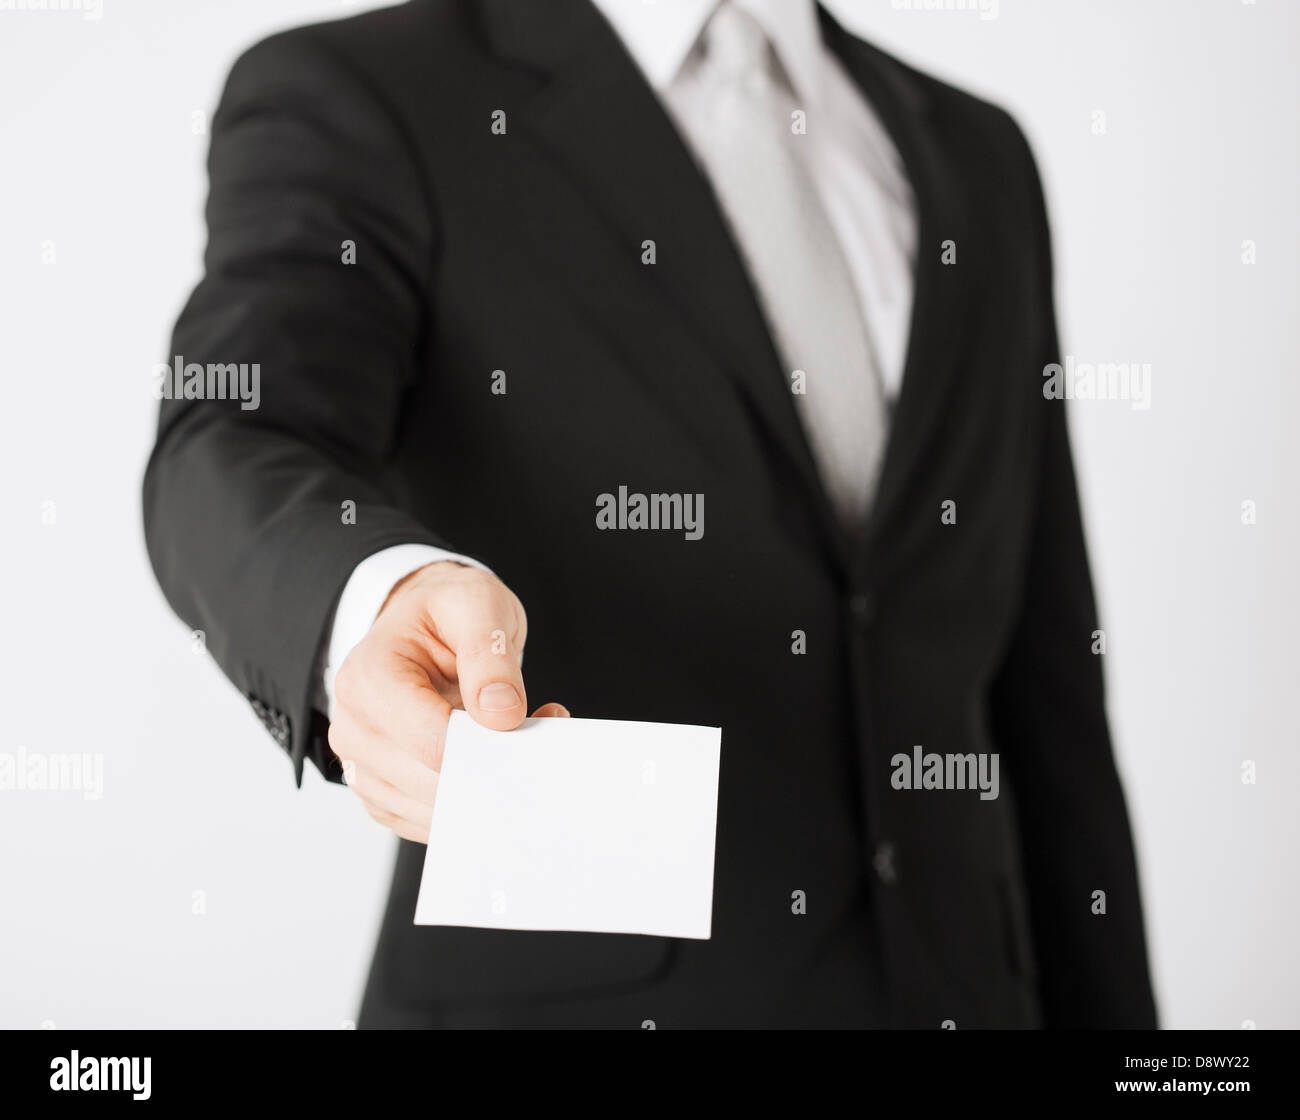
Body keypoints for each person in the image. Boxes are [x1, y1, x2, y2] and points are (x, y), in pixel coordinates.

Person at [143, 0, 1158, 1028]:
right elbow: (231, 430)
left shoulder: (977, 154)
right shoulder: (370, 93)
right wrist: (368, 601)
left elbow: (1047, 696)